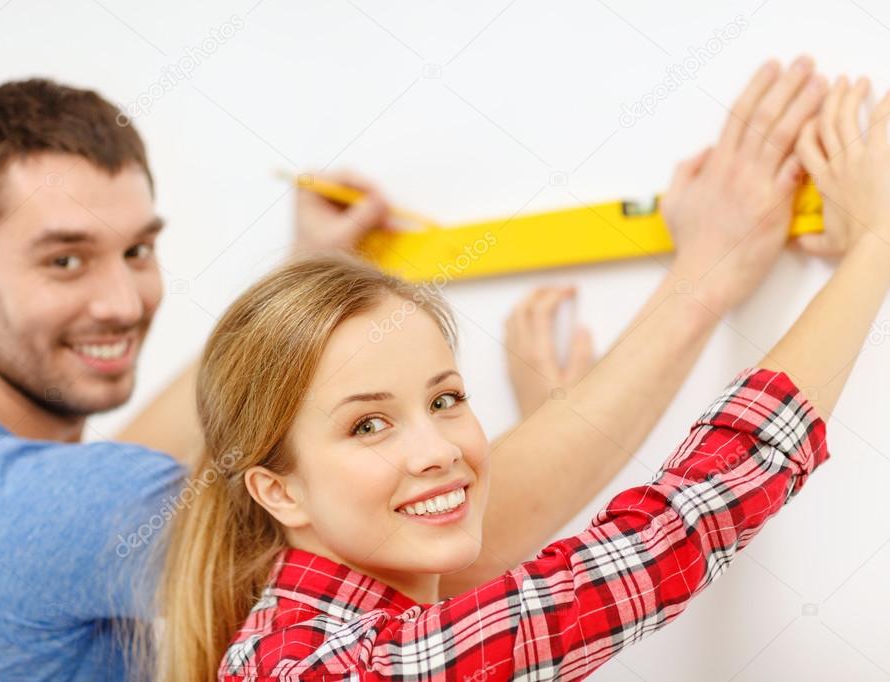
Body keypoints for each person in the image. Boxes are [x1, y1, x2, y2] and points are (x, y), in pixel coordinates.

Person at [0, 54, 823, 680]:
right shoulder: (52, 513)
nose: (122, 302)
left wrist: (294, 293)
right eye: (64, 259)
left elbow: (103, 471)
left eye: (139, 249)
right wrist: (706, 275)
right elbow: (436, 543)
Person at [150, 75, 883, 681]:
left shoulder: (299, 634)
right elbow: (664, 546)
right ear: (278, 489)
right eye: (366, 424)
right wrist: (877, 240)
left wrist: (565, 417)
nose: (437, 450)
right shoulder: (331, 669)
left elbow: (495, 629)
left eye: (445, 400)